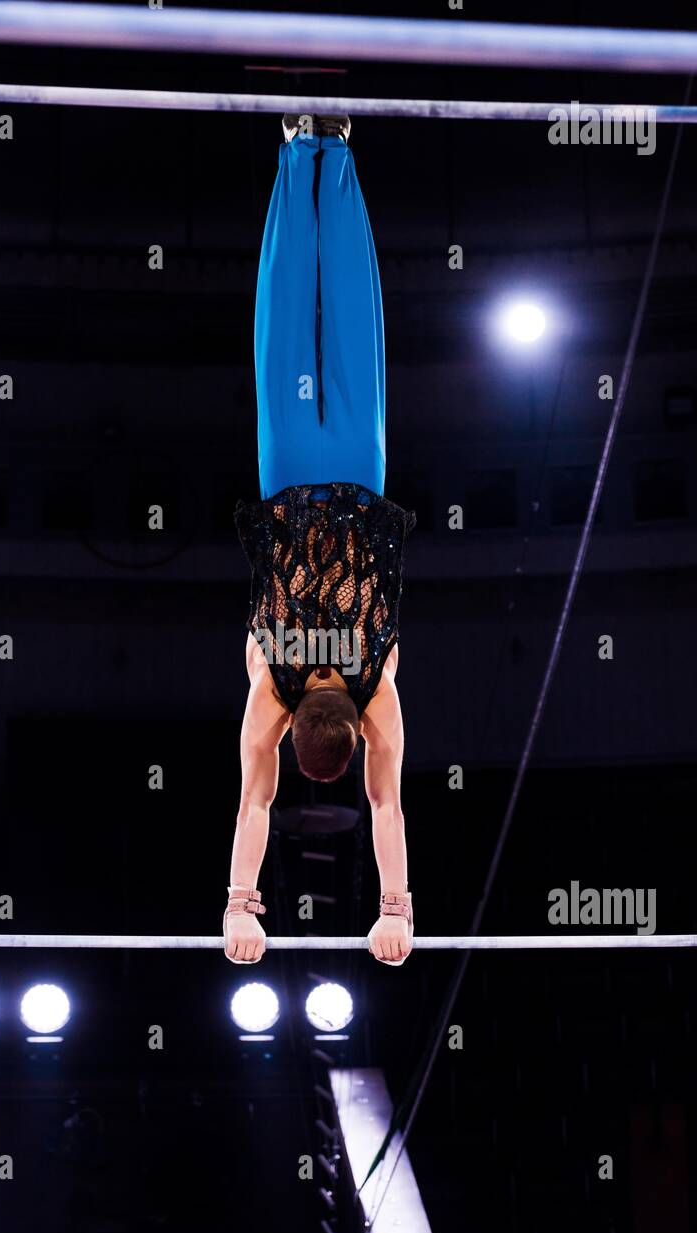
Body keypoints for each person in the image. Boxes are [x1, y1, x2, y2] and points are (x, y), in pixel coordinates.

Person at [225, 114, 416, 967]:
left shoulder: (381, 691)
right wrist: (239, 907)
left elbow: (387, 810)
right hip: (286, 468)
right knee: (280, 325)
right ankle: (295, 145)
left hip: (361, 470)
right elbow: (252, 807)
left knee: (349, 327)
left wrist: (396, 910)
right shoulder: (269, 689)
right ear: (298, 723)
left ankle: (333, 149)